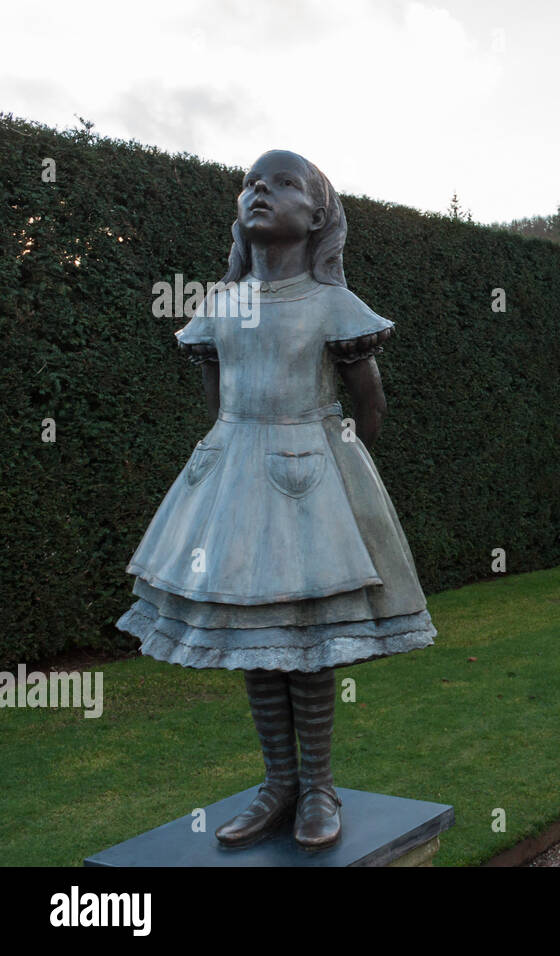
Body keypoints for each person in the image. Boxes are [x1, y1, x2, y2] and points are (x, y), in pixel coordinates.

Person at [117, 150, 436, 850]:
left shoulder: (332, 305)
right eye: (251, 182)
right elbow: (217, 403)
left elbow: (369, 405)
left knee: (309, 642)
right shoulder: (220, 306)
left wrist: (339, 467)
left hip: (312, 480)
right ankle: (277, 785)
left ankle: (318, 785)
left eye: (284, 182)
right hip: (231, 479)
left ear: (318, 214)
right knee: (258, 642)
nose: (261, 190)